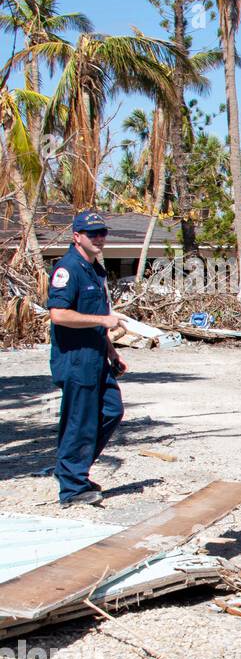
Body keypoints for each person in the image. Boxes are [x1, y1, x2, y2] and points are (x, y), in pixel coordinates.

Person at [46, 211, 127, 508]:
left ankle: (73, 471)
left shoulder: (94, 270)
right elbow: (59, 314)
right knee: (79, 422)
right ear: (76, 236)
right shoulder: (68, 269)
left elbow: (97, 322)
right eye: (92, 233)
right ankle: (72, 488)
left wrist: (111, 351)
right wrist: (104, 320)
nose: (99, 238)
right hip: (76, 359)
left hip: (96, 356)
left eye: (102, 232)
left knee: (111, 410)